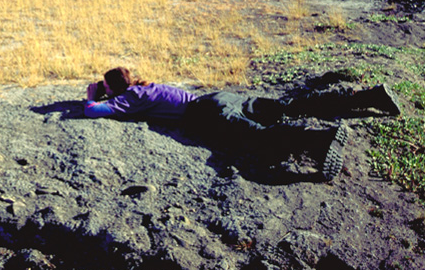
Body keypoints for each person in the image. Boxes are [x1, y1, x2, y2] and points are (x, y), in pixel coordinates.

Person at [84, 66, 402, 181]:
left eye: (107, 86)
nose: (104, 91)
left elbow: (92, 111)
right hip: (218, 98)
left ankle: (319, 141)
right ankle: (364, 99)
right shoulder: (144, 86)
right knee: (284, 105)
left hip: (207, 114)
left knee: (257, 136)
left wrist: (91, 94)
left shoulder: (131, 98)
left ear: (116, 87)